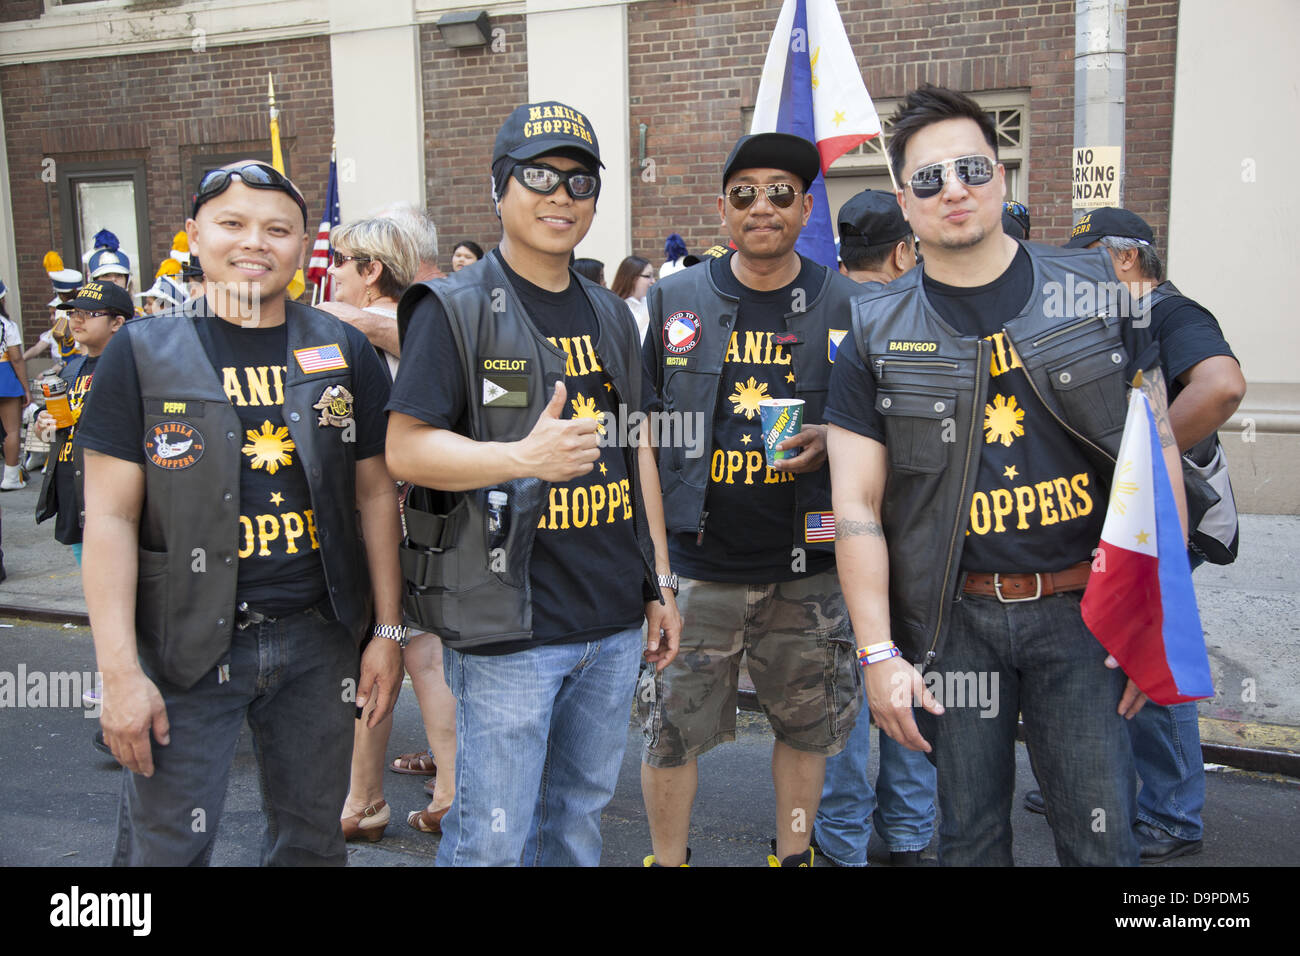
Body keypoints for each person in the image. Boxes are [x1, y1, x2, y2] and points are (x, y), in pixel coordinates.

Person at [825, 84, 1185, 866]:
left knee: (1101, 841)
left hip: (1083, 619)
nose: (952, 188)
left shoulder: (1096, 294)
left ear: (1002, 178)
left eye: (971, 168)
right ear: (905, 202)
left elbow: (1156, 462)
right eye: (928, 178)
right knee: (970, 839)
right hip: (953, 624)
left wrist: (1151, 620)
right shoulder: (874, 332)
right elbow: (854, 502)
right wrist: (879, 654)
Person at [75, 159, 405, 866]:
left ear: (303, 244)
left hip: (318, 642)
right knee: (167, 847)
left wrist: (387, 629)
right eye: (233, 223)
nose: (256, 242)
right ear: (196, 234)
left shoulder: (341, 347)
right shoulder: (140, 351)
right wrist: (119, 674)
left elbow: (375, 493)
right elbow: (109, 520)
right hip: (183, 646)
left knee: (311, 845)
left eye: (278, 229)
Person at [388, 99, 681, 867]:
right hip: (508, 628)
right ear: (499, 187)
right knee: (491, 839)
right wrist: (522, 458)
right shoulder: (451, 309)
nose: (561, 195)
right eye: (539, 176)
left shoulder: (614, 314)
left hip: (612, 622)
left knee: (574, 829)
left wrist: (657, 582)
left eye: (580, 182)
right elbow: (405, 450)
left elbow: (630, 452)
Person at [638, 132, 864, 868]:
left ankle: (791, 858)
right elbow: (641, 434)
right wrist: (659, 574)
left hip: (811, 567)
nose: (761, 206)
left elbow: (887, 429)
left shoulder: (849, 305)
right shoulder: (675, 297)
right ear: (723, 208)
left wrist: (835, 435)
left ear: (806, 207)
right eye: (744, 193)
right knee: (670, 729)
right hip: (699, 566)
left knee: (806, 730)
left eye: (780, 192)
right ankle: (668, 861)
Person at [1022, 207, 1243, 865]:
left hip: (1163, 513)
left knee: (1149, 638)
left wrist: (1142, 460)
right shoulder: (1120, 318)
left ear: (1122, 259)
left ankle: (1172, 814)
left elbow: (1223, 385)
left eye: (1087, 260)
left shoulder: (1168, 311)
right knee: (1116, 640)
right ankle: (1106, 783)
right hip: (1131, 517)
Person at [812, 188, 936, 867]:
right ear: (900, 250)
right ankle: (912, 834)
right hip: (912, 542)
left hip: (831, 534)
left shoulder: (817, 311)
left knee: (840, 700)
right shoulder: (922, 316)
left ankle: (840, 838)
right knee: (906, 680)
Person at [0, 282, 30, 491]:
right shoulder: (6, 324)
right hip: (4, 375)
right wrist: (26, 388)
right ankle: (10, 476)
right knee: (11, 430)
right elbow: (17, 358)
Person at [610, 255, 654, 344]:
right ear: (632, 278)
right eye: (648, 276)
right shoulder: (615, 308)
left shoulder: (649, 302)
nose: (653, 281)